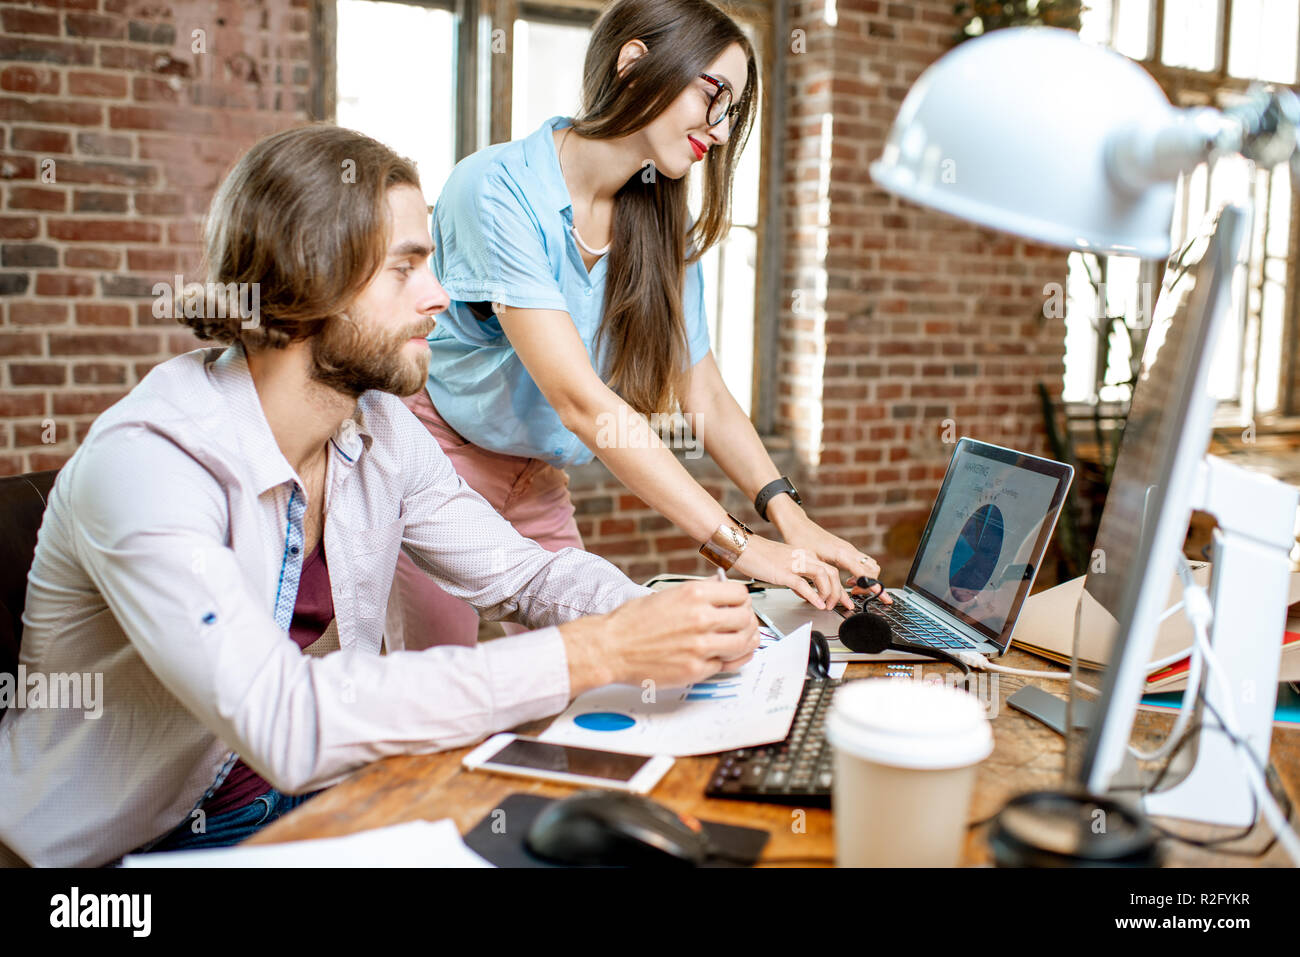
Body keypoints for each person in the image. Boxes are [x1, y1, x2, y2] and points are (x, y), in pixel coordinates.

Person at [0, 123, 759, 868]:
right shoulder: (150, 462)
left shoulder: (380, 428)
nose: (441, 295)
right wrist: (599, 650)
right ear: (310, 276)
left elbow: (528, 575)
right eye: (406, 269)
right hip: (123, 857)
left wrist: (662, 619)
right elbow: (284, 719)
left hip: (319, 804)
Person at [393, 0, 888, 650]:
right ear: (634, 64)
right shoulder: (496, 189)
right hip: (438, 460)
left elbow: (702, 390)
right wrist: (738, 547)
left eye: (731, 112)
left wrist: (790, 518)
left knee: (599, 669)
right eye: (712, 95)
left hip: (536, 480)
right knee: (442, 691)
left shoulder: (660, 225)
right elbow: (581, 403)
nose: (717, 128)